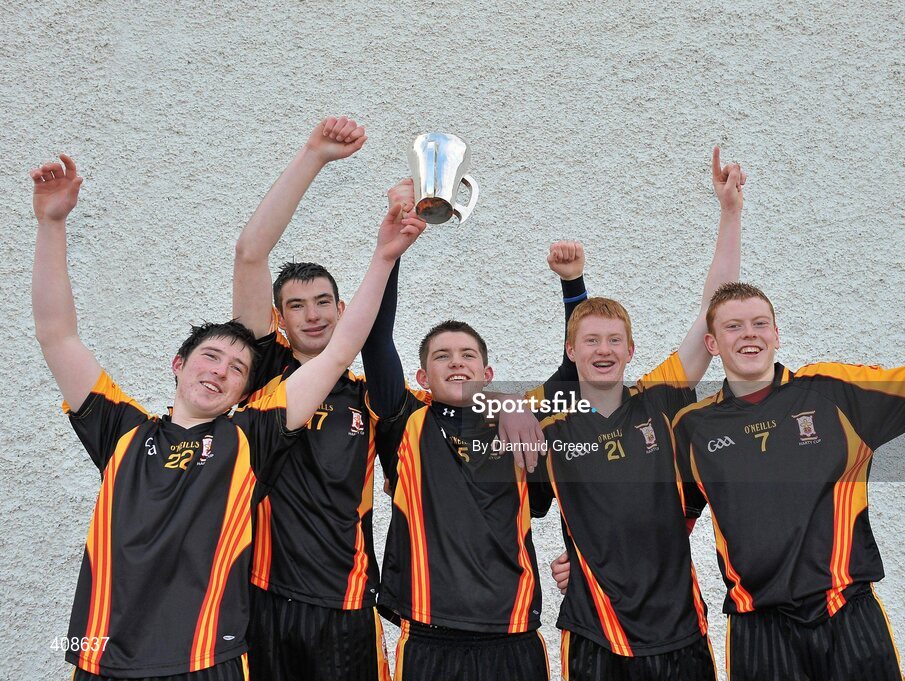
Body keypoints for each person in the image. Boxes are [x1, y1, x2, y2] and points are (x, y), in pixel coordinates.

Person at [32, 153, 425, 681]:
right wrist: (51, 224)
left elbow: (342, 351)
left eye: (238, 367)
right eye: (210, 357)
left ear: (251, 386)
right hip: (105, 657)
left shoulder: (250, 436)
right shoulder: (121, 431)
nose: (220, 371)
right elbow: (57, 335)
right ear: (179, 365)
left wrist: (383, 257)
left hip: (210, 659)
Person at [672, 239, 905, 681]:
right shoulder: (692, 427)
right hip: (758, 628)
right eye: (733, 327)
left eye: (760, 323)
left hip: (849, 614)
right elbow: (668, 525)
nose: (749, 334)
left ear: (777, 334)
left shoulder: (834, 391)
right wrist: (588, 564)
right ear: (711, 342)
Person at [532, 148, 744, 681]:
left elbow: (712, 312)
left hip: (679, 629)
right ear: (571, 351)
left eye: (614, 341)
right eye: (590, 341)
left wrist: (730, 213)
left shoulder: (661, 399)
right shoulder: (547, 420)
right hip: (593, 630)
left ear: (630, 351)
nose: (603, 350)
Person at [366, 239, 590, 681]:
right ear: (422, 376)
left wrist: (572, 285)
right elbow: (375, 339)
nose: (456, 363)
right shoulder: (404, 421)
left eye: (468, 355)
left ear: (487, 374)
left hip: (512, 631)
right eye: (442, 357)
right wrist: (389, 257)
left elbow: (577, 373)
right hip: (429, 634)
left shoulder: (521, 421)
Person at [232, 115, 396, 681]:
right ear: (278, 318)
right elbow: (250, 253)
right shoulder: (261, 371)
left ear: (343, 310)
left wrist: (519, 411)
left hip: (346, 603)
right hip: (263, 597)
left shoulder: (369, 395)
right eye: (297, 306)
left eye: (323, 302)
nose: (312, 315)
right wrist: (313, 157)